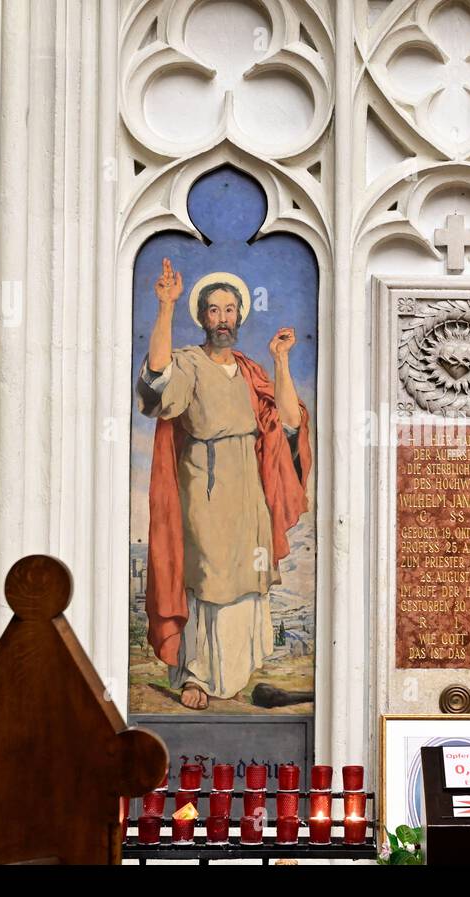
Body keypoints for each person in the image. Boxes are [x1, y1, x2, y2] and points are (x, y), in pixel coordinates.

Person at [138, 259, 310, 709]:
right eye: (212, 311)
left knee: (243, 580)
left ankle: (231, 674)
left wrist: (280, 361)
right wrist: (164, 307)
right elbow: (157, 379)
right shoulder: (190, 363)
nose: (221, 319)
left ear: (239, 316)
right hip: (204, 486)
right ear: (201, 317)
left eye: (229, 310)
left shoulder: (253, 372)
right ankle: (195, 675)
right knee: (205, 577)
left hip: (248, 493)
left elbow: (290, 422)